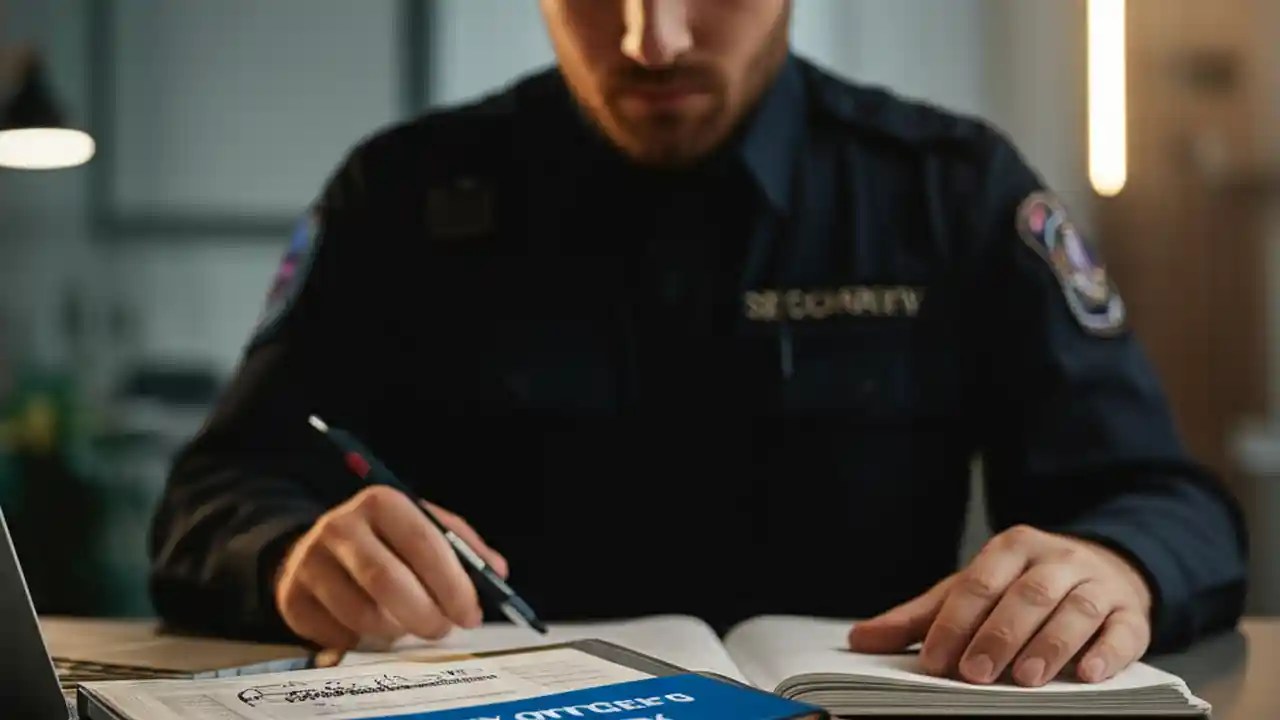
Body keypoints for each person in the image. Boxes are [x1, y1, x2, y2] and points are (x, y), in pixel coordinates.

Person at [148, 0, 1247, 690]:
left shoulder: (947, 192)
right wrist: (293, 557)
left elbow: (1164, 499)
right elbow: (213, 500)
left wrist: (1116, 568)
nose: (650, 37)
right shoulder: (403, 195)